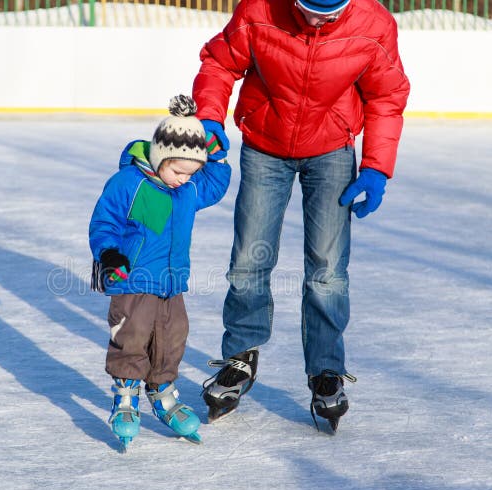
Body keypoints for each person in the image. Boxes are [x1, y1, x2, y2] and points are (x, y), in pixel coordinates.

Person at [193, 0, 410, 431]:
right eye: (306, 8)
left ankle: (326, 370)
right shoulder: (259, 11)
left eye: (327, 14)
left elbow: (386, 96)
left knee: (328, 269)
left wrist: (376, 168)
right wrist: (209, 116)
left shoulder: (373, 23)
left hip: (331, 150)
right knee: (249, 261)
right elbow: (219, 63)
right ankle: (240, 356)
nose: (313, 20)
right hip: (264, 147)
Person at [89, 95, 231, 448]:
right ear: (159, 157)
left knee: (173, 335)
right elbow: (104, 221)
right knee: (132, 335)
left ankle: (163, 391)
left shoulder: (188, 188)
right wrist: (108, 255)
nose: (184, 179)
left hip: (171, 281)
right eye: (178, 171)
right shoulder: (129, 183)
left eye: (191, 173)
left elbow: (215, 183)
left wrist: (216, 154)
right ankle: (125, 395)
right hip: (133, 278)